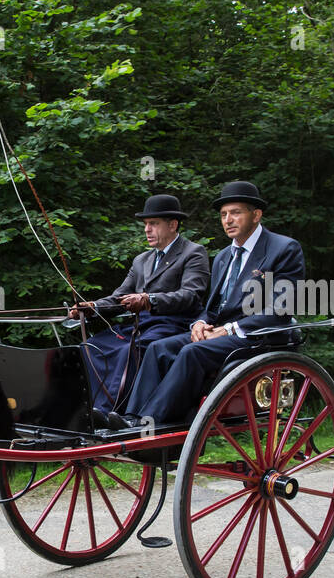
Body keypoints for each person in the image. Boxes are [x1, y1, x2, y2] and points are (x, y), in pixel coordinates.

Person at [108, 180, 304, 428]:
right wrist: (200, 323)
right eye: (223, 214)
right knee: (159, 348)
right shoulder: (223, 256)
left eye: (235, 212)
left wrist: (227, 329)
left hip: (257, 335)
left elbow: (280, 310)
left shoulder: (283, 249)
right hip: (220, 333)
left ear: (256, 215)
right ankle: (133, 417)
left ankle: (151, 422)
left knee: (193, 352)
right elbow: (213, 306)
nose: (228, 220)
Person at [71, 194, 210, 416]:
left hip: (172, 324)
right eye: (146, 224)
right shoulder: (141, 260)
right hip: (139, 324)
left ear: (172, 225)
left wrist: (149, 300)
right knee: (90, 347)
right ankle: (87, 409)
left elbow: (191, 295)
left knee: (129, 351)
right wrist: (93, 307)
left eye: (153, 224)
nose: (147, 230)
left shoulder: (193, 253)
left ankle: (113, 413)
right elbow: (119, 298)